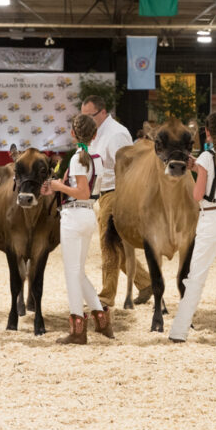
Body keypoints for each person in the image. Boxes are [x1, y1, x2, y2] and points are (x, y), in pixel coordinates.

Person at [170, 111, 216, 345]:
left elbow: (198, 194)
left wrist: (199, 169)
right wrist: (199, 168)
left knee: (196, 276)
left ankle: (179, 331)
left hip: (211, 219)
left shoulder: (206, 157)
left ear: (207, 132)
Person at [46, 113, 113, 345]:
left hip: (74, 216)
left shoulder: (78, 159)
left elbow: (82, 192)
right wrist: (60, 186)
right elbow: (89, 191)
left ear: (73, 134)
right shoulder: (97, 158)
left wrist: (58, 186)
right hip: (88, 214)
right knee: (78, 271)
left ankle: (77, 330)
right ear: (95, 135)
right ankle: (101, 319)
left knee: (72, 274)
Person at [82, 95, 151, 303]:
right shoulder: (96, 132)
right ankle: (146, 283)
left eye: (90, 116)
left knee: (108, 244)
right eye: (83, 116)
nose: (85, 120)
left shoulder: (116, 134)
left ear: (103, 112)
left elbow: (129, 168)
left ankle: (106, 296)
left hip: (116, 193)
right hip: (103, 193)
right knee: (118, 245)